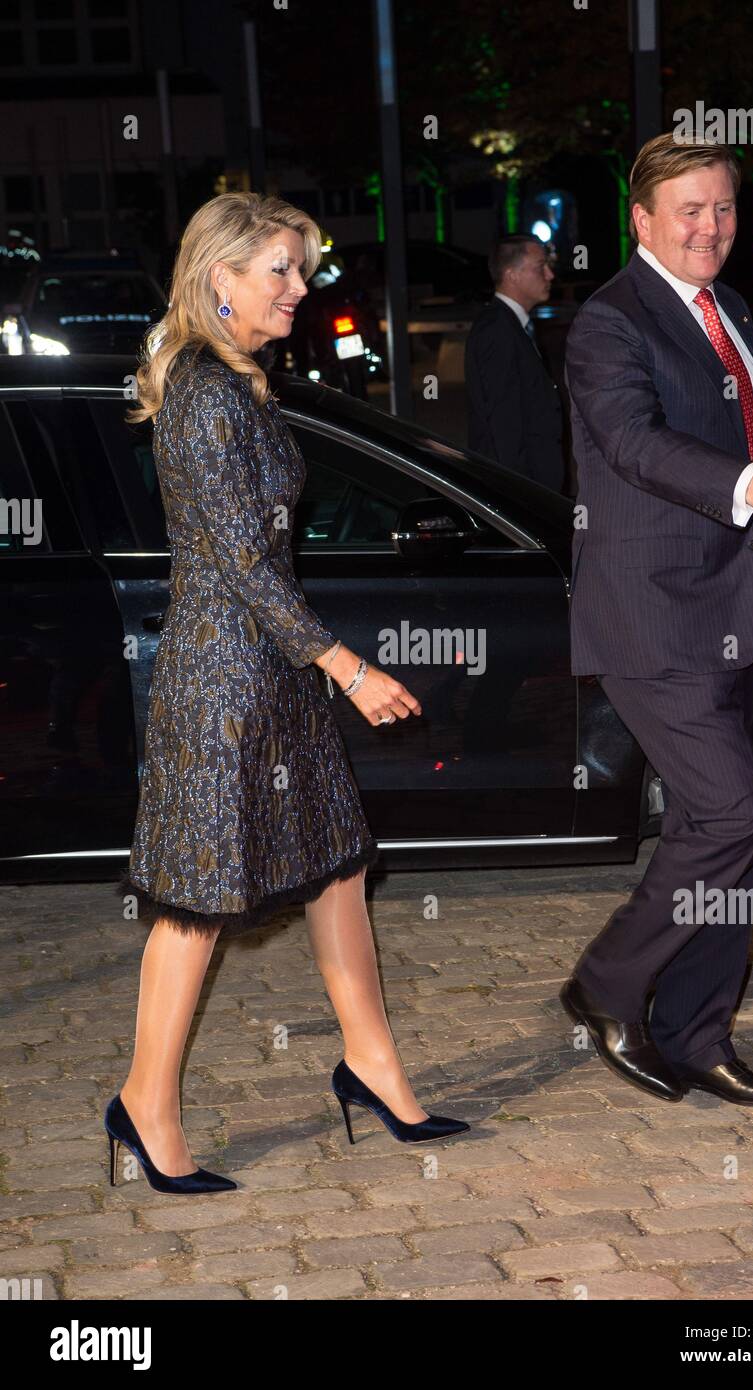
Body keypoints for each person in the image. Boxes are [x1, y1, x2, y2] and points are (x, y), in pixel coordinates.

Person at [109, 192, 468, 1195]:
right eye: (280, 269)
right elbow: (243, 565)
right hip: (222, 683)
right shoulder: (201, 391)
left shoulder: (245, 380)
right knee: (198, 901)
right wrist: (349, 667)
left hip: (273, 676)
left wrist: (316, 670)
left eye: (302, 268)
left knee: (336, 866)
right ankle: (145, 1102)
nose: (299, 288)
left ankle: (373, 1065)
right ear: (218, 276)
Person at [559, 133, 753, 1107]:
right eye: (688, 208)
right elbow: (637, 445)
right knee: (735, 810)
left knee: (714, 822)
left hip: (732, 607)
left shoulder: (733, 312)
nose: (709, 225)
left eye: (722, 207)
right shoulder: (608, 323)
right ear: (640, 221)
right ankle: (604, 983)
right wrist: (752, 485)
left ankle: (695, 1032)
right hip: (648, 613)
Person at [465, 233, 564, 492]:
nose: (550, 275)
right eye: (540, 267)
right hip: (523, 487)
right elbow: (503, 423)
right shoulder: (497, 330)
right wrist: (520, 494)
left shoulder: (512, 325)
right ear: (512, 274)